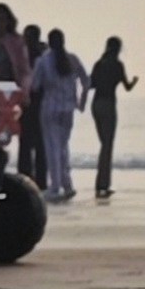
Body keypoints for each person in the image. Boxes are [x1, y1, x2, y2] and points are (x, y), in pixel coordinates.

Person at [33, 26, 86, 204]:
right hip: (68, 109)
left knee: (52, 148)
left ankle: (55, 187)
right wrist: (81, 102)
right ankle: (67, 184)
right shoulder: (72, 59)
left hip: (49, 108)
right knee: (63, 147)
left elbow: (34, 85)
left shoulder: (44, 61)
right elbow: (86, 81)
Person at [86, 33, 135, 202]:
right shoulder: (117, 65)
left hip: (96, 104)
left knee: (103, 144)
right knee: (107, 145)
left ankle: (101, 182)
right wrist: (135, 81)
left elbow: (90, 84)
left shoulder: (99, 64)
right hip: (108, 104)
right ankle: (103, 183)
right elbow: (127, 87)